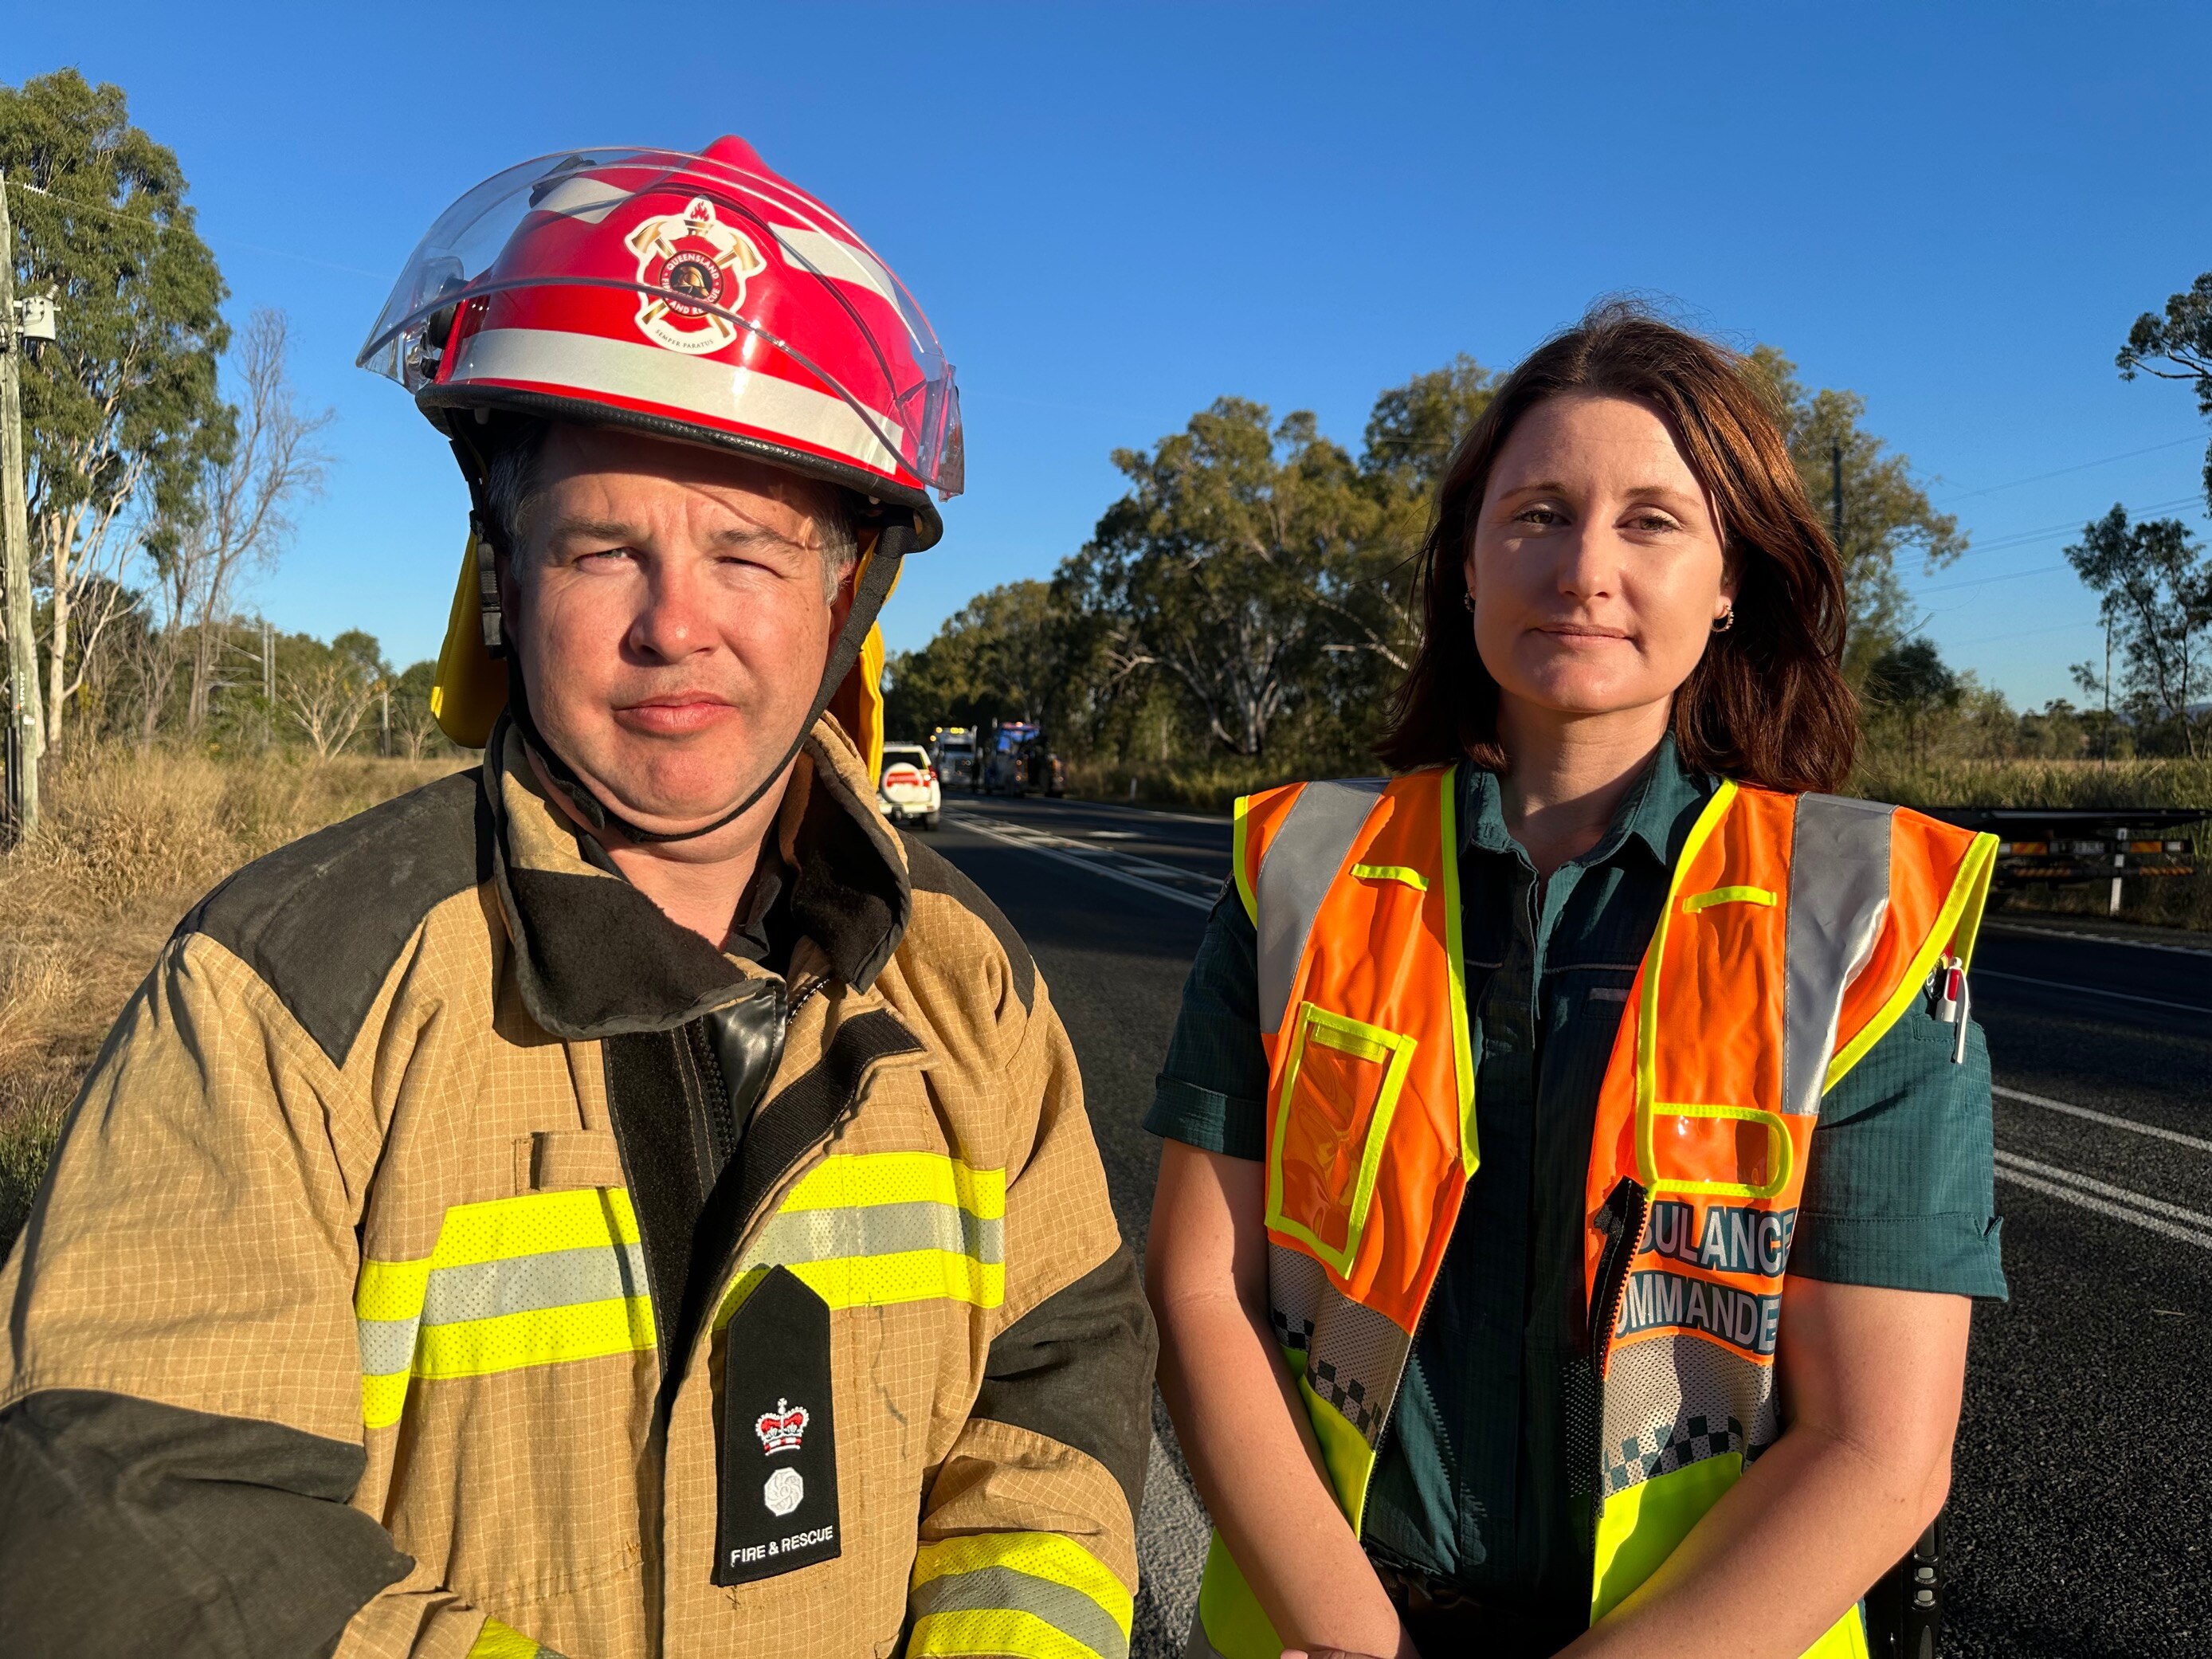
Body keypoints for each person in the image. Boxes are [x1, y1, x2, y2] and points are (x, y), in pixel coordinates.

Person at [0, 139, 1155, 1659]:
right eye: (606, 546)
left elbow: (1055, 1375)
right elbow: (133, 1498)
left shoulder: (967, 984)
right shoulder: (286, 990)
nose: (676, 624)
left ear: (848, 599)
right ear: (505, 573)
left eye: (749, 550)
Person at [1146, 305, 2005, 1659]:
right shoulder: (1299, 869)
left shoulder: (1860, 921)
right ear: (1470, 564)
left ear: (1732, 579)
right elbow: (1202, 1288)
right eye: (1536, 511)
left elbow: (1879, 1451)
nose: (1584, 567)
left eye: (1652, 520)